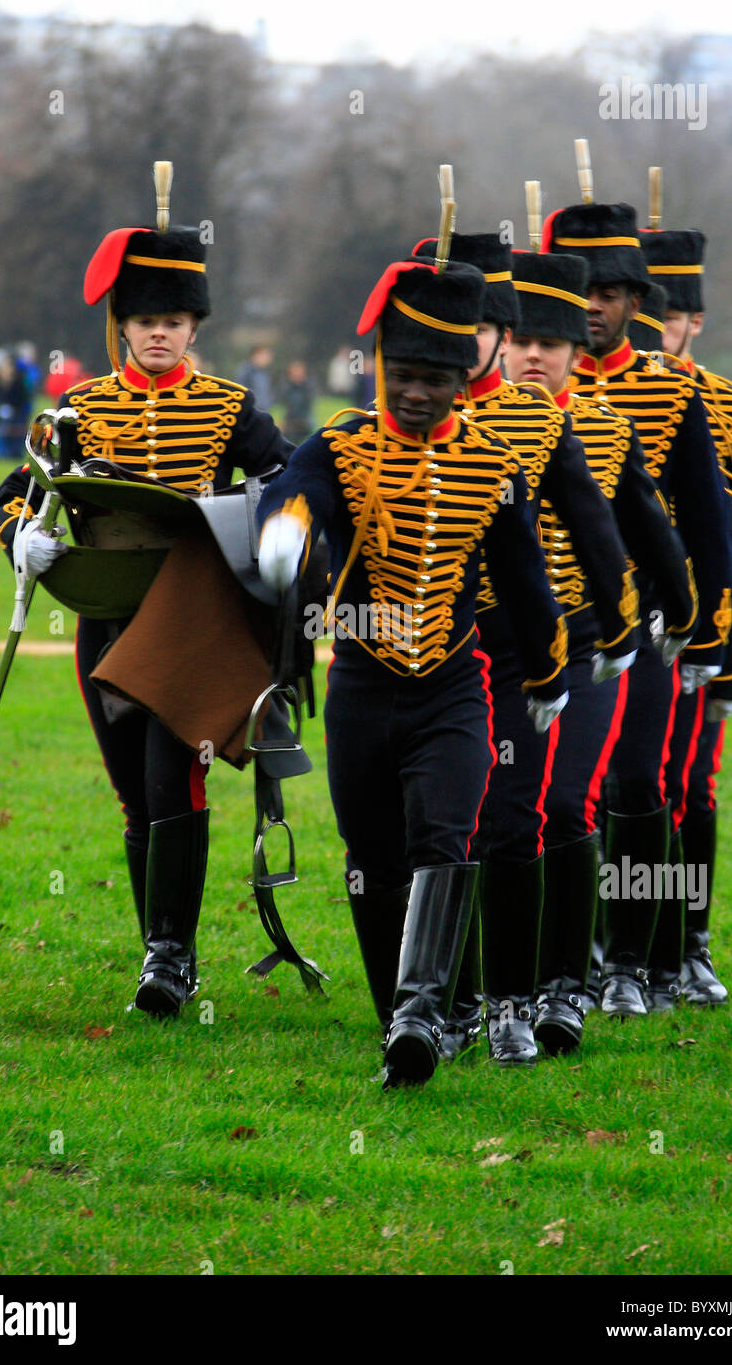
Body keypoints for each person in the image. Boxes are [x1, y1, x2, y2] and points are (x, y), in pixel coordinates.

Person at [256, 257, 569, 1088]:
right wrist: (286, 531)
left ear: (463, 380)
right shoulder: (345, 443)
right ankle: (409, 1008)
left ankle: (422, 1012)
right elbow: (299, 487)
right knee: (372, 855)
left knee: (443, 835)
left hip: (454, 687)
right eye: (404, 375)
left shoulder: (492, 464)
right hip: (361, 686)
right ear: (381, 369)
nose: (417, 393)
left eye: (436, 378)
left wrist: (548, 671)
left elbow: (526, 575)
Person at [0, 197, 293, 1020]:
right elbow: (16, 495)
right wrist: (22, 536)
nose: (159, 333)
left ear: (195, 328)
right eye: (144, 318)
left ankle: (172, 957)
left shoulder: (231, 406)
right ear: (122, 326)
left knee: (174, 782)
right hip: (107, 616)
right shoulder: (79, 407)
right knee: (133, 793)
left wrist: (264, 527)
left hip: (195, 624)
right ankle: (158, 946)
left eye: (174, 319)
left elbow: (290, 480)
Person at [411, 233, 638, 1066]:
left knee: (541, 812)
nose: (521, 353)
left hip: (547, 645)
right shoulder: (399, 421)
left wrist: (623, 626)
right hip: (442, 646)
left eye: (541, 340)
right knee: (447, 828)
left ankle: (550, 988)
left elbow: (609, 526)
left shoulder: (543, 423)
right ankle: (448, 998)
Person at [502, 248, 698, 1052]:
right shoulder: (461, 430)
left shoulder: (603, 427)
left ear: (575, 352)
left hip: (591, 643)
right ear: (499, 345)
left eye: (553, 343)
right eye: (523, 341)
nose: (537, 355)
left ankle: (577, 982)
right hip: (492, 650)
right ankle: (477, 990)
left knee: (573, 802)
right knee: (493, 821)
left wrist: (685, 617)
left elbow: (646, 533)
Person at [546, 200, 732, 1017]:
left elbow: (706, 521)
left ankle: (636, 958)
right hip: (551, 617)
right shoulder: (534, 384)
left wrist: (712, 631)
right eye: (582, 287)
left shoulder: (669, 390)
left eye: (612, 290)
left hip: (651, 621)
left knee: (639, 784)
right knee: (555, 797)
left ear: (634, 300)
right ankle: (570, 956)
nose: (594, 303)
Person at [638, 223, 732, 1006]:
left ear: (694, 320)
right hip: (622, 615)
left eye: (671, 315)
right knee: (619, 785)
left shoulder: (726, 403)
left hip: (705, 617)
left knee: (691, 784)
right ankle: (620, 942)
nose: (660, 329)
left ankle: (688, 941)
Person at [280, 359, 314, 443]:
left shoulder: (308, 387)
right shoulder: (286, 386)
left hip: (304, 421)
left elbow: (309, 404)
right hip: (290, 421)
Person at [237, 345, 274, 411]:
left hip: (264, 410)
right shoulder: (246, 370)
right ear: (256, 355)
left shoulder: (265, 372)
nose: (268, 359)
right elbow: (241, 390)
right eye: (265, 356)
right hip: (251, 410)